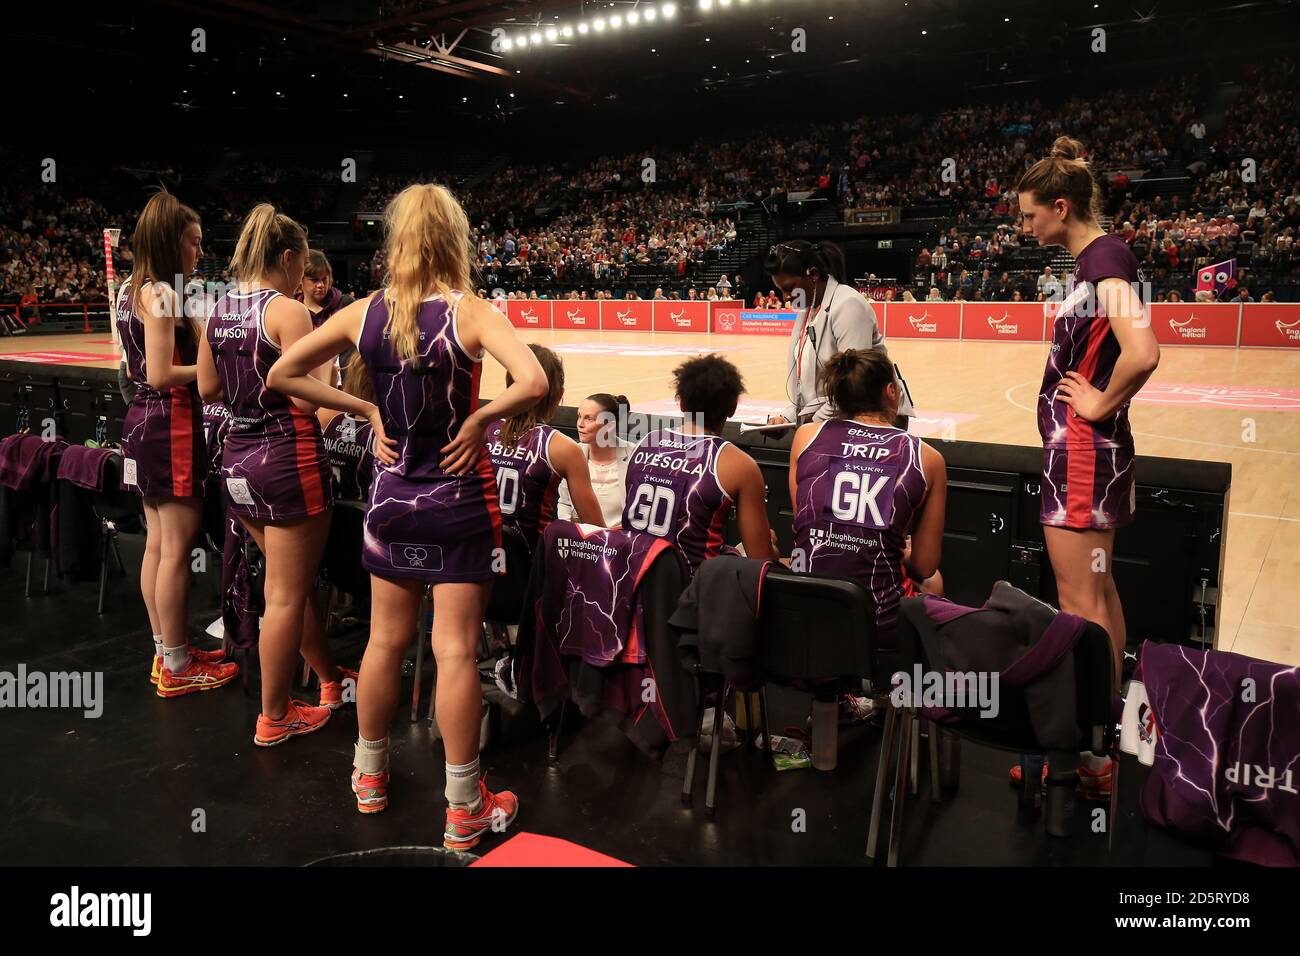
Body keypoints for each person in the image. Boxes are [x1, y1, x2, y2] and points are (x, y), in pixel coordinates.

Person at [267, 183, 546, 849]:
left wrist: (363, 410)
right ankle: (462, 805)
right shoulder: (470, 312)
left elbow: (282, 374)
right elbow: (535, 382)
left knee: (384, 643)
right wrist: (481, 418)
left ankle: (369, 776)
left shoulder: (365, 313)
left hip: (390, 500)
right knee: (454, 650)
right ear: (453, 237)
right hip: (458, 500)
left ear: (397, 240)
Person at [1015, 135, 1160, 795]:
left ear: (1062, 205)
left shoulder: (1104, 258)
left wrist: (1098, 403)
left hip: (1080, 454)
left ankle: (1093, 758)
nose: (1024, 226)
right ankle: (1114, 738)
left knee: (1079, 599)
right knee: (1100, 593)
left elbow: (1144, 350)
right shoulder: (1100, 259)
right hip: (1091, 454)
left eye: (1029, 215)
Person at [198, 204, 352, 746]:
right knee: (287, 595)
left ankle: (327, 683)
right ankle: (276, 714)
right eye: (300, 265)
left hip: (236, 460)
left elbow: (208, 390)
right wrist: (358, 402)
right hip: (287, 459)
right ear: (287, 258)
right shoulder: (286, 311)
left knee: (290, 588)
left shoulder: (219, 308)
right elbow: (308, 403)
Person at [116, 190, 235, 697]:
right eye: (193, 242)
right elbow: (164, 374)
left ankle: (166, 652)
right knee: (175, 552)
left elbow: (135, 368)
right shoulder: (161, 292)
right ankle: (179, 666)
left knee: (158, 546)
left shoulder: (128, 288)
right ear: (172, 241)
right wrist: (214, 369)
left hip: (141, 423)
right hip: (171, 425)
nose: (199, 252)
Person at [789, 348, 946, 649]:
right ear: (890, 392)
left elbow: (805, 522)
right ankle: (897, 682)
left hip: (806, 607)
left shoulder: (805, 437)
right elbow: (925, 566)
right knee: (933, 580)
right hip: (878, 622)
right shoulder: (926, 457)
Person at [623, 355, 778, 575]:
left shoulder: (646, 443)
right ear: (732, 408)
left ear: (682, 403)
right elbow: (760, 558)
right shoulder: (739, 464)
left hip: (633, 581)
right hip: (695, 594)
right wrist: (771, 544)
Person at [763, 240, 911, 426]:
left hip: (876, 419)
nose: (785, 297)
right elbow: (810, 389)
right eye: (780, 290)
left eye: (790, 288)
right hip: (833, 419)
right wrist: (787, 418)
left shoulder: (848, 304)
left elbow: (854, 385)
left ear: (813, 275)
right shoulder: (807, 310)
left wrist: (813, 423)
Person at [486, 344, 604, 554]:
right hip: (528, 565)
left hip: (474, 555)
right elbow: (596, 529)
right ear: (559, 395)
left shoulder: (481, 430)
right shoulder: (563, 448)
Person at [556, 393, 636, 527]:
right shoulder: (572, 455)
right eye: (579, 416)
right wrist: (569, 529)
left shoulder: (634, 456)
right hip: (580, 541)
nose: (580, 424)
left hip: (620, 541)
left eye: (589, 419)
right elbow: (564, 502)